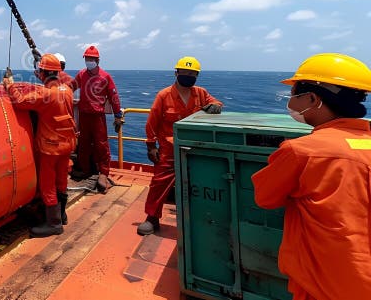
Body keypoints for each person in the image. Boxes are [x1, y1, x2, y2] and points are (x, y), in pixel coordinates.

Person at [251, 53, 371, 300]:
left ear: (313, 98)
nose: (290, 100)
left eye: (294, 94)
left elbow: (265, 198)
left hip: (330, 280)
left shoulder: (301, 151)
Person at [137, 56, 222, 236]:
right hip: (169, 149)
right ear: (176, 73)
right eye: (185, 72)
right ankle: (152, 218)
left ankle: (199, 218)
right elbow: (152, 122)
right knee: (159, 183)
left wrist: (215, 107)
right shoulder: (164, 95)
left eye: (192, 73)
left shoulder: (200, 93)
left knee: (199, 182)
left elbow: (216, 103)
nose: (188, 76)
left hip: (194, 148)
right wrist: (151, 146)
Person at [4, 54, 77, 237]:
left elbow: (20, 101)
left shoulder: (44, 94)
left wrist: (10, 84)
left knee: (48, 185)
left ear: (43, 73)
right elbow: (55, 85)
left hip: (51, 147)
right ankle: (61, 215)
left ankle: (53, 224)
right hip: (67, 145)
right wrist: (44, 75)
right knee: (61, 181)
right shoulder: (66, 90)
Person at [68, 45, 123, 192]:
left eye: (91, 58)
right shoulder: (81, 75)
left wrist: (118, 115)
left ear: (97, 60)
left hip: (98, 117)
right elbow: (70, 87)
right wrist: (56, 91)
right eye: (87, 58)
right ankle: (85, 169)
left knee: (101, 145)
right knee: (84, 143)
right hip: (84, 115)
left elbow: (114, 96)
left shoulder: (105, 77)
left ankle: (104, 173)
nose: (89, 61)